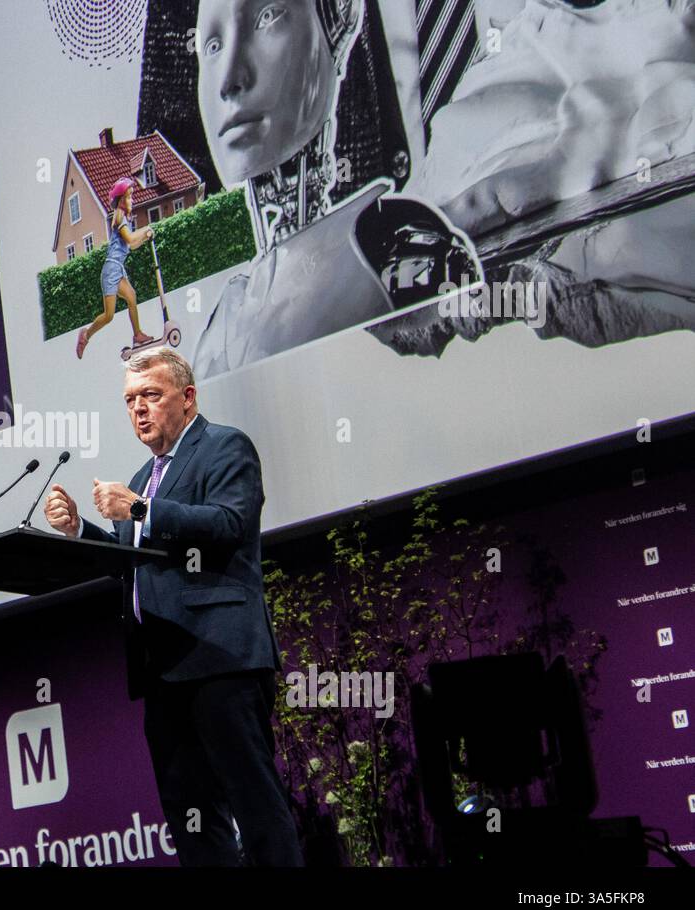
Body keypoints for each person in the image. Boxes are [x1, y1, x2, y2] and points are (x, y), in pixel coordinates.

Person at [44, 347, 303, 866]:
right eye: (130, 400)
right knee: (191, 814)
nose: (138, 409)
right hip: (162, 666)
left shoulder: (226, 447)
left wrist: (141, 509)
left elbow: (229, 523)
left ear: (187, 398)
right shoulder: (143, 478)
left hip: (219, 657)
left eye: (150, 396)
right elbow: (131, 558)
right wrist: (78, 529)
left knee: (254, 802)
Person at [191, 0, 476, 375]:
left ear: (338, 30)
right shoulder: (221, 326)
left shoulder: (397, 253)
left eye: (267, 18)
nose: (228, 81)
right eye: (211, 47)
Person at [75, 177, 156, 359]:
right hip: (111, 269)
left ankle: (138, 335)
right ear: (120, 200)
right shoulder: (119, 216)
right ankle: (85, 335)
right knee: (109, 315)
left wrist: (145, 237)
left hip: (117, 268)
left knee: (131, 296)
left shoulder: (123, 217)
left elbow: (132, 245)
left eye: (131, 197)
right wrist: (146, 230)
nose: (131, 201)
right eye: (128, 197)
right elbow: (130, 239)